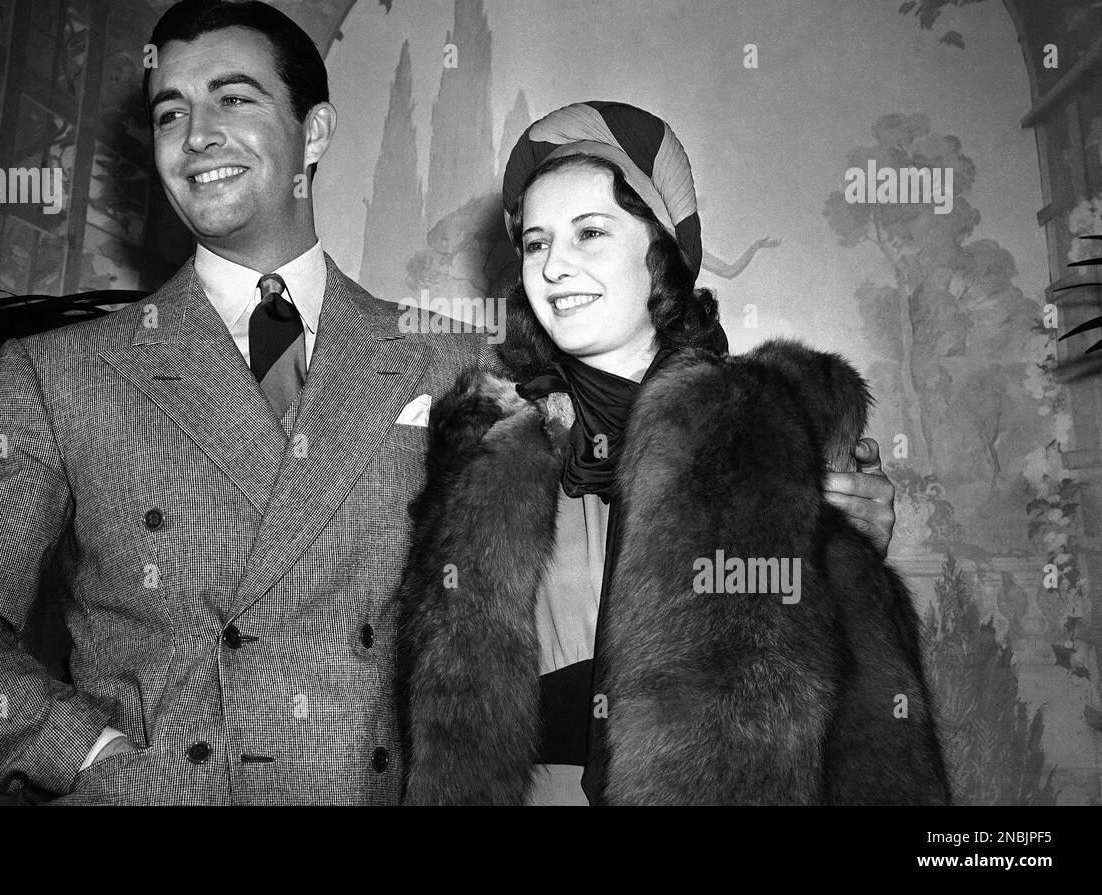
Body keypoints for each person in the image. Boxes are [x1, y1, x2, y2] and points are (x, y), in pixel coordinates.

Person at [0, 0, 492, 805]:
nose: (197, 135)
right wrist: (88, 755)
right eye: (172, 113)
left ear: (316, 133)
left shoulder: (448, 357)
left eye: (234, 99)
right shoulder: (62, 373)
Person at [398, 101, 945, 806]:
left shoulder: (771, 435)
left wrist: (825, 541)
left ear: (661, 252)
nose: (555, 266)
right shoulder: (488, 447)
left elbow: (874, 726)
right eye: (535, 243)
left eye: (589, 232)